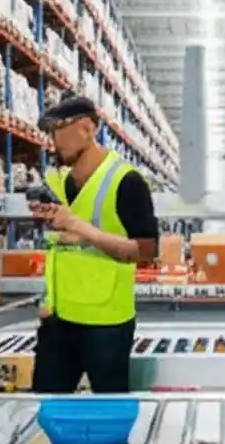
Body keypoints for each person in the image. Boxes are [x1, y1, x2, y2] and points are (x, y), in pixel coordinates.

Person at [29, 96, 159, 393]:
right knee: (45, 406)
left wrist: (80, 228)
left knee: (109, 412)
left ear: (87, 129)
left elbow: (147, 252)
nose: (53, 140)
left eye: (59, 130)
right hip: (58, 319)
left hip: (106, 323)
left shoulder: (126, 181)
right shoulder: (55, 181)